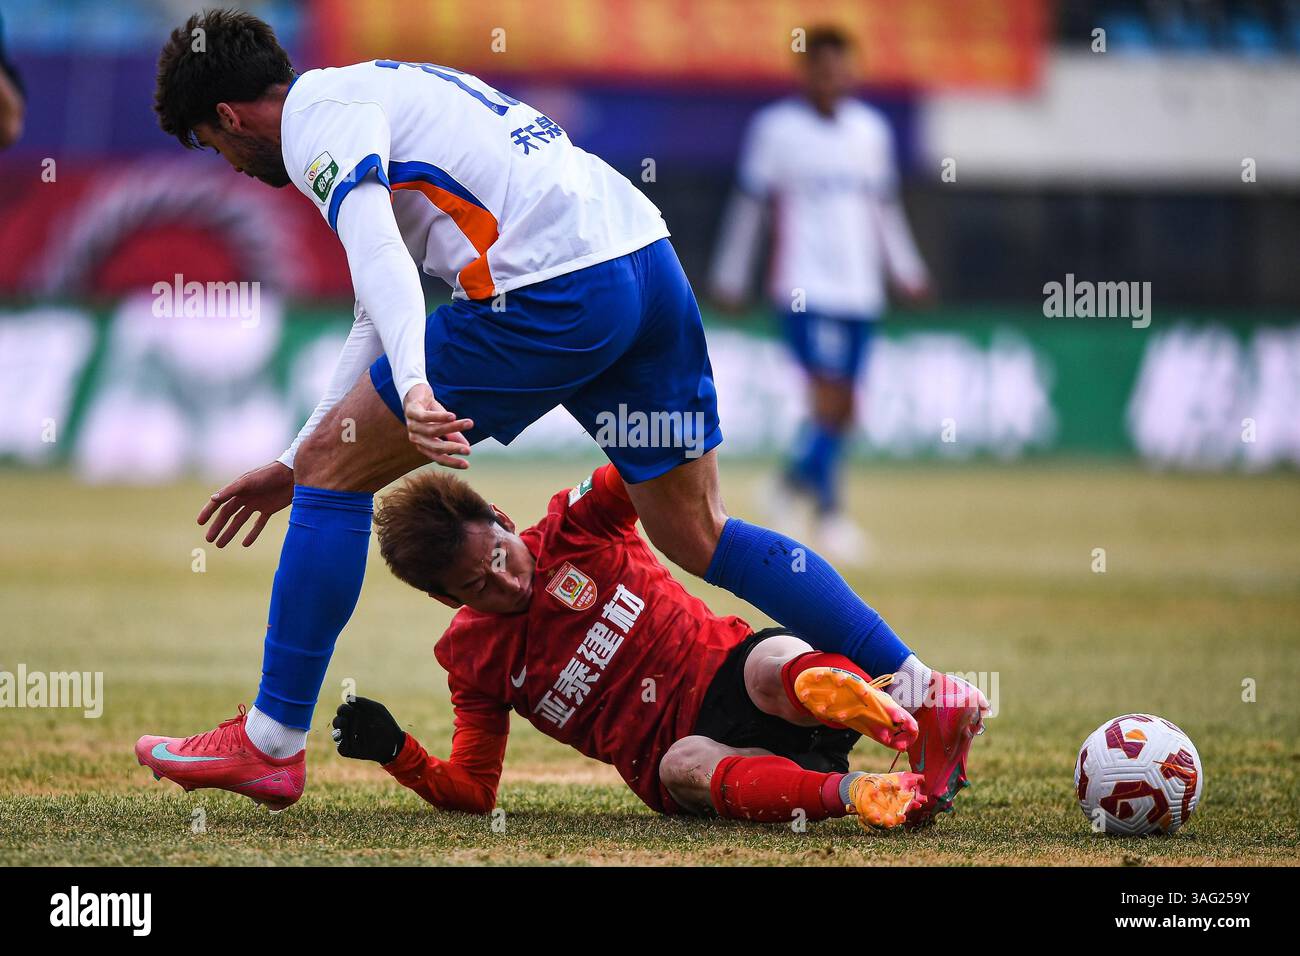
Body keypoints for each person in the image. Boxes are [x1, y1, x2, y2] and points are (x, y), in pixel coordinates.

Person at [137, 10, 977, 822]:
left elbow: (383, 259)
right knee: (698, 534)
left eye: (213, 146)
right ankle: (924, 692)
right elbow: (373, 307)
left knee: (333, 477)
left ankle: (273, 740)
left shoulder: (315, 122)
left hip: (548, 293)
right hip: (641, 265)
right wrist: (297, 457)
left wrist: (407, 392)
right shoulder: (377, 88)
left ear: (227, 114)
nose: (230, 162)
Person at [336, 465, 931, 829]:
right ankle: (861, 794)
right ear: (448, 600)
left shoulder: (575, 524)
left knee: (769, 668)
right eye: (477, 587)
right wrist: (398, 752)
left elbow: (645, 464)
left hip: (733, 673)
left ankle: (885, 711)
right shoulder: (471, 661)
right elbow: (475, 791)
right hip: (687, 753)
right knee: (684, 763)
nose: (507, 582)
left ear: (500, 519)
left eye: (499, 557)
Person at [710, 26, 931, 563]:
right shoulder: (776, 130)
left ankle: (796, 490)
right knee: (828, 398)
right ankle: (826, 514)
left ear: (853, 72)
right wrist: (732, 275)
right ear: (806, 72)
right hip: (803, 286)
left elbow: (884, 209)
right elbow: (751, 207)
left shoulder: (869, 131)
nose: (833, 79)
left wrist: (907, 268)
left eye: (842, 69)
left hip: (860, 289)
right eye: (822, 69)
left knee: (845, 407)